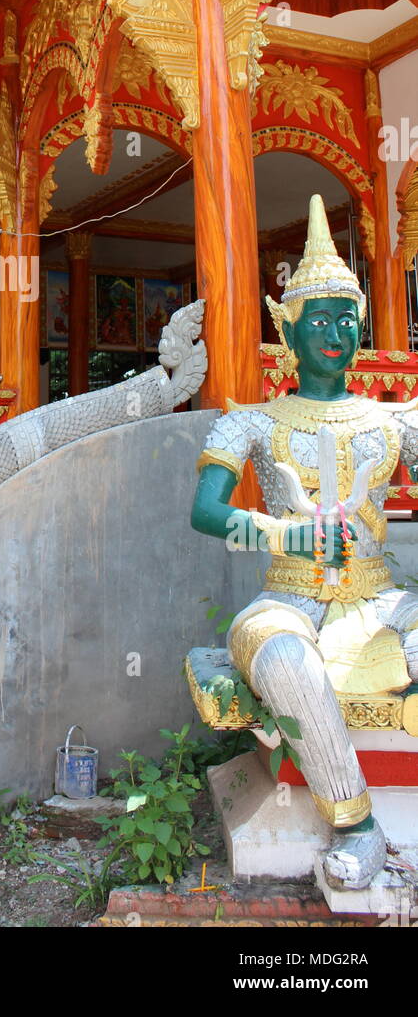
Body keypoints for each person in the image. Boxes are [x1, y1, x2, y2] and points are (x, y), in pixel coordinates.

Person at [191, 195, 418, 889]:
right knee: (284, 656)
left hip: (379, 596)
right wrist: (282, 529)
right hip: (287, 596)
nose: (336, 330)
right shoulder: (252, 422)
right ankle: (357, 825)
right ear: (287, 331)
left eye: (347, 318)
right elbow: (205, 511)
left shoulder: (394, 421)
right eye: (319, 317)